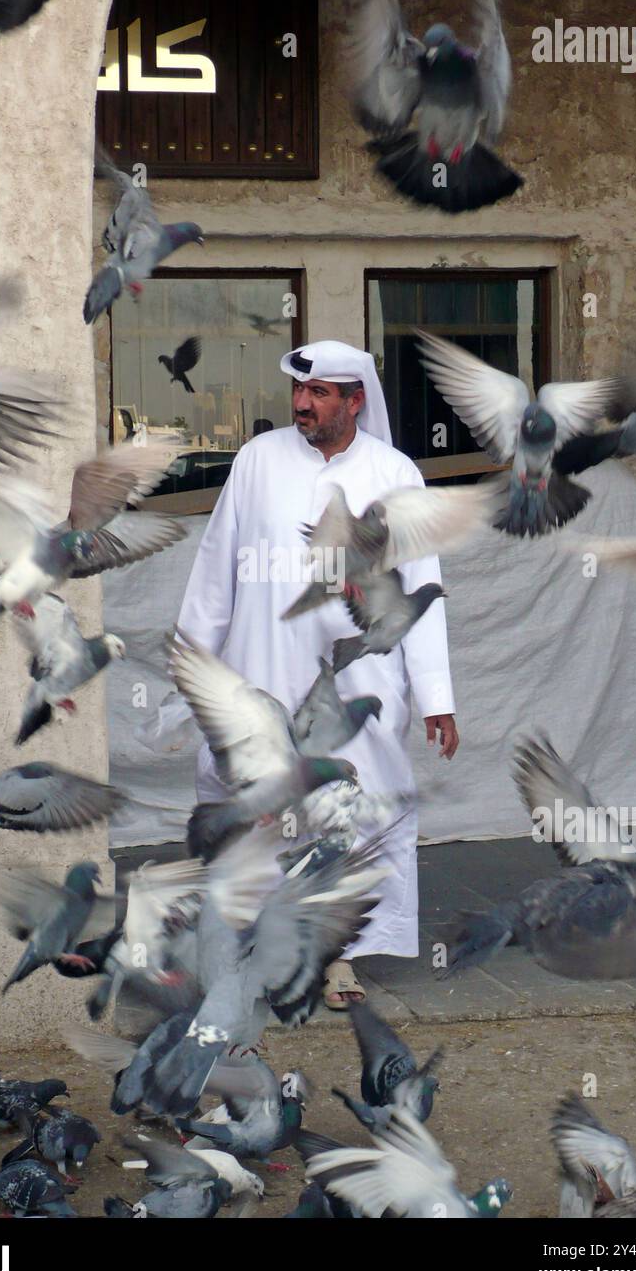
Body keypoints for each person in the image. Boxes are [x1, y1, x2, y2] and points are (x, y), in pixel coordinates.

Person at [176, 340, 458, 1010]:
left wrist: (437, 697)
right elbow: (216, 571)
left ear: (355, 399)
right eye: (298, 392)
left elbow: (422, 590)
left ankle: (337, 957)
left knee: (348, 811)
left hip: (357, 683)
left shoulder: (395, 475)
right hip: (259, 668)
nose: (302, 403)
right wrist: (194, 659)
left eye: (320, 393)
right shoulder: (256, 460)